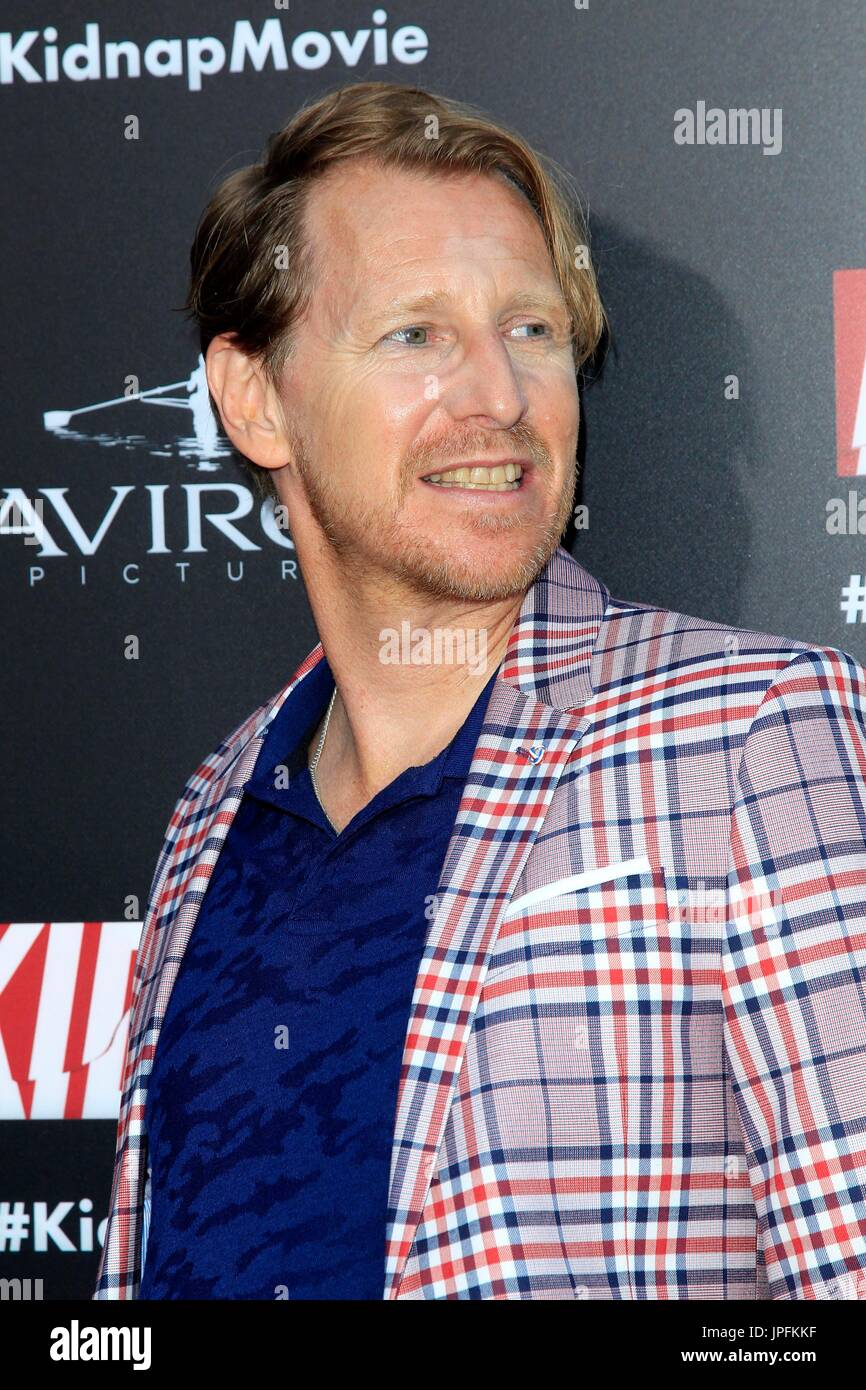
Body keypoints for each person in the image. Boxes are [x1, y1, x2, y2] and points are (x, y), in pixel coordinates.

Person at [94, 80, 866, 1301]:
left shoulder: (748, 738)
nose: (498, 398)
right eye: (414, 334)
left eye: (531, 330)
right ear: (254, 399)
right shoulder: (208, 816)